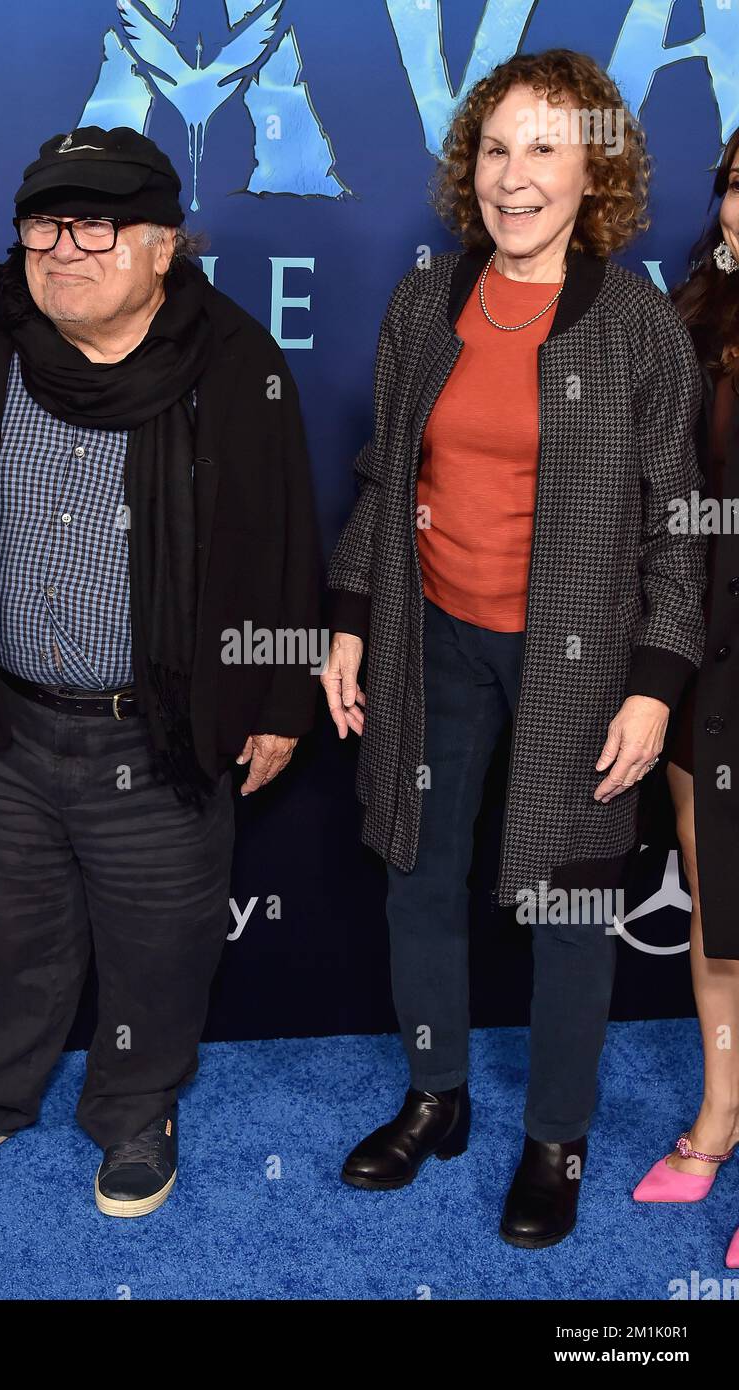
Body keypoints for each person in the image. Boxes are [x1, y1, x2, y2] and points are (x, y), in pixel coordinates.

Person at [0, 125, 320, 1217]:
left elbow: (284, 543)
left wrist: (277, 696)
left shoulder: (236, 365)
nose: (64, 246)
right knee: (10, 937)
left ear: (164, 244)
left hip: (162, 731)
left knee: (161, 950)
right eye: (45, 220)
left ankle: (136, 1109)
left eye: (98, 223)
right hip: (10, 726)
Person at [322, 50, 706, 1247]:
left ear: (596, 168)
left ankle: (556, 1138)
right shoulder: (424, 300)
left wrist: (652, 686)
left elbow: (673, 524)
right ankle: (435, 1098)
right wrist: (346, 615)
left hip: (574, 665)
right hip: (430, 634)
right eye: (495, 147)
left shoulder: (637, 326)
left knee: (565, 898)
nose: (514, 174)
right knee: (418, 874)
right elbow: (390, 474)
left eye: (545, 146)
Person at [632, 129, 739, 1270]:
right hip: (704, 651)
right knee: (718, 890)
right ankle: (718, 1114)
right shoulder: (686, 319)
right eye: (737, 183)